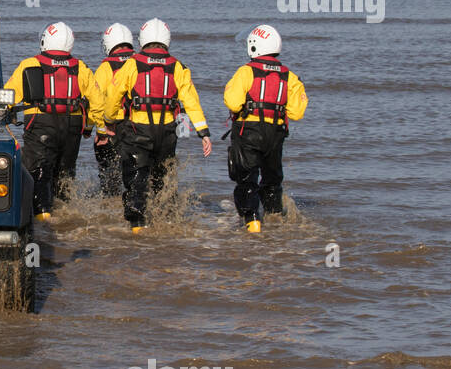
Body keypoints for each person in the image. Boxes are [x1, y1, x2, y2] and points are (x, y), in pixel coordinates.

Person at [102, 18, 212, 233]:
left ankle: (138, 227)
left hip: (138, 131)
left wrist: (109, 121)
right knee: (163, 178)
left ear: (142, 40)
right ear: (166, 40)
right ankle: (168, 222)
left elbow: (114, 96)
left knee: (137, 177)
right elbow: (191, 102)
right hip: (168, 132)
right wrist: (203, 133)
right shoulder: (178, 66)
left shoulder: (132, 64)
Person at [4, 22, 106, 220]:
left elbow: (9, 95)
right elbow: (98, 101)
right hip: (72, 127)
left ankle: (42, 217)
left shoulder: (30, 64)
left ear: (45, 40)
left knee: (39, 169)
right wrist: (96, 129)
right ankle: (65, 211)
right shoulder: (81, 68)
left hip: (41, 123)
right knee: (65, 171)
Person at [223, 24, 308, 232]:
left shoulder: (245, 72)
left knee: (246, 178)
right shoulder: (290, 77)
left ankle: (252, 223)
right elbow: (297, 113)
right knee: (272, 179)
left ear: (254, 47)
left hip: (249, 132)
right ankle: (275, 219)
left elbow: (233, 103)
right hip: (275, 135)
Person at [92, 23, 136, 196]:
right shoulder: (139, 62)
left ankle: (111, 201)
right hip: (138, 123)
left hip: (114, 126)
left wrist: (96, 129)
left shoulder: (105, 67)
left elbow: (95, 100)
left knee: (110, 171)